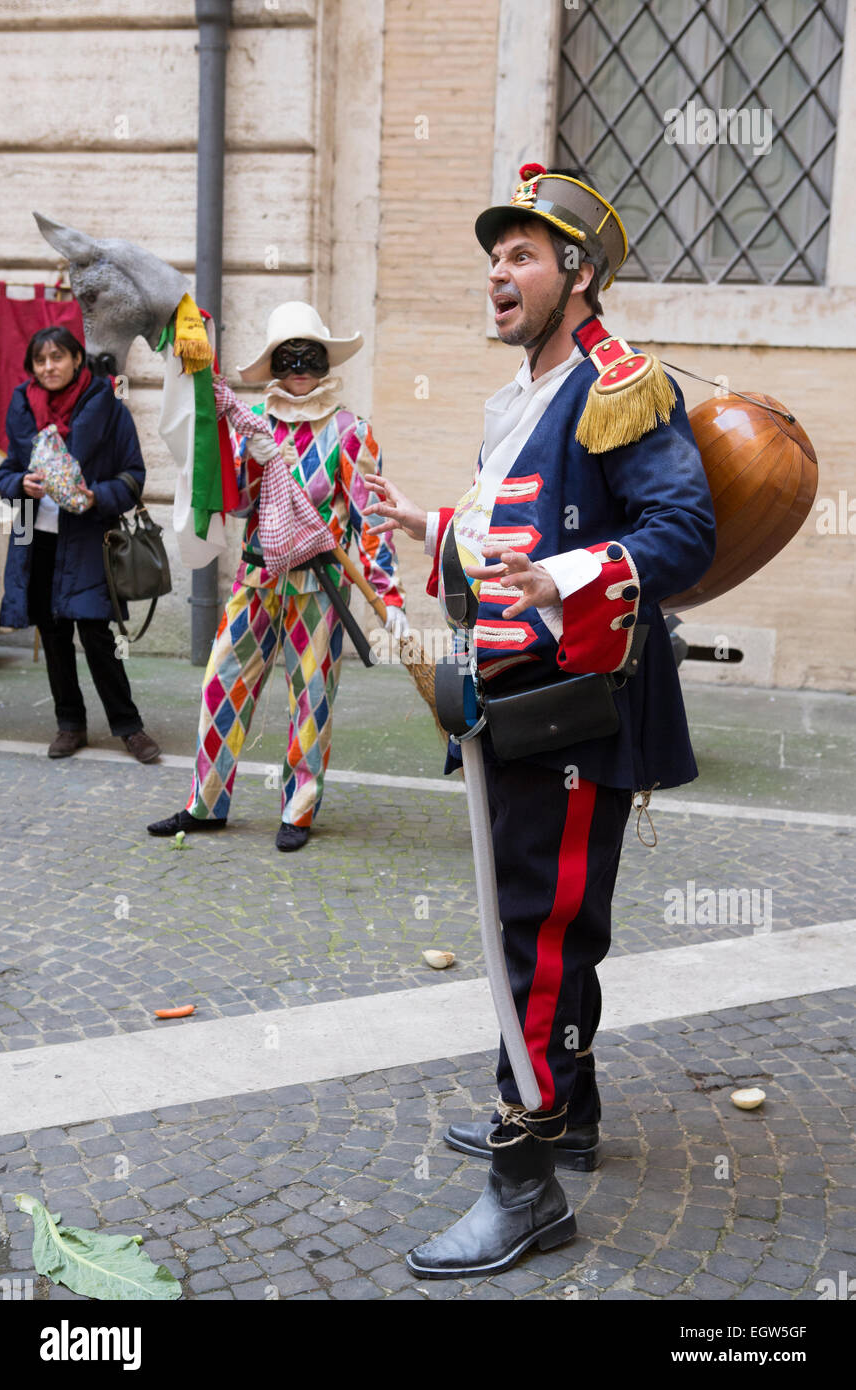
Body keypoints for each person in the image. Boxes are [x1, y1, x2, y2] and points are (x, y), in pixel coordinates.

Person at [363, 165, 716, 1278]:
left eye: (520, 255)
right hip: (523, 699)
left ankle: (526, 1186)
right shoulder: (524, 393)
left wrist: (562, 572)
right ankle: (574, 1113)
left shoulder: (617, 380)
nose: (495, 273)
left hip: (581, 708)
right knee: (550, 926)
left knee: (541, 936)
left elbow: (681, 532)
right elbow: (506, 534)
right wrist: (433, 524)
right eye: (494, 254)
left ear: (578, 273)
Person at [147, 301, 408, 852]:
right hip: (256, 579)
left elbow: (373, 521)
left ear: (324, 360)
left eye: (309, 356)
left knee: (312, 699)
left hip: (319, 591)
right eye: (287, 359)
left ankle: (299, 809)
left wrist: (390, 597)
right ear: (273, 367)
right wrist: (234, 443)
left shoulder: (351, 432)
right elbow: (236, 501)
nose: (299, 368)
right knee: (221, 682)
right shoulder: (254, 425)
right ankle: (206, 802)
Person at [0, 326, 161, 763]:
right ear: (33, 367)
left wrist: (96, 497)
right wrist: (20, 483)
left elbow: (134, 475)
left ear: (75, 359)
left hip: (89, 541)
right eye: (40, 361)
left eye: (57, 358)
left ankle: (129, 727)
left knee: (96, 635)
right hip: (36, 540)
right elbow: (6, 473)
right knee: (52, 637)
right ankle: (70, 724)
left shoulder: (107, 404)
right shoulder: (22, 406)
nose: (49, 367)